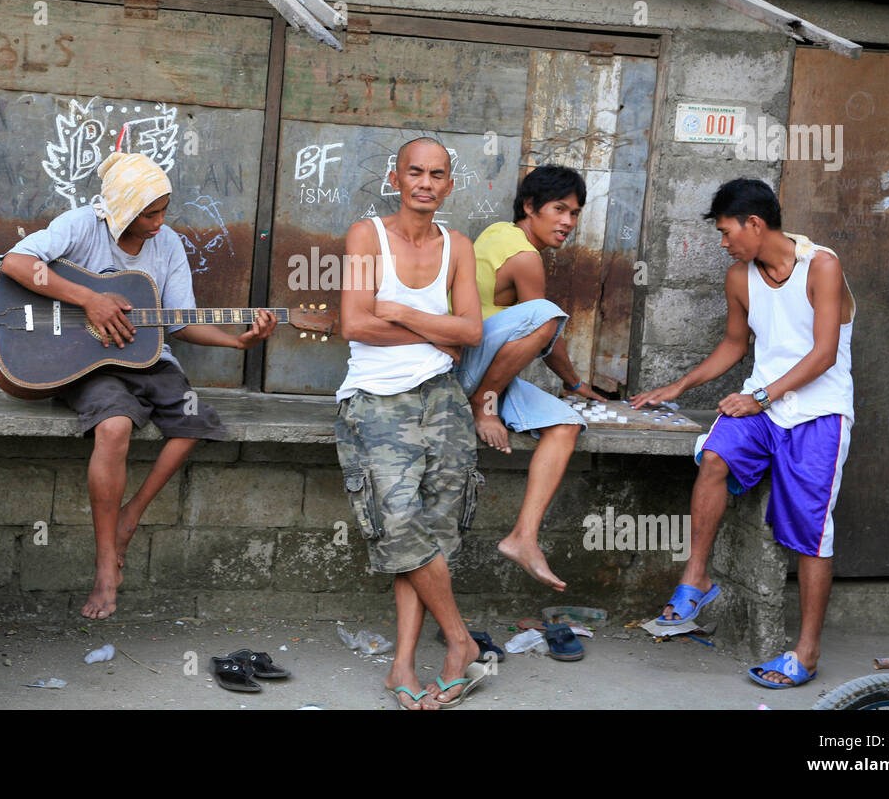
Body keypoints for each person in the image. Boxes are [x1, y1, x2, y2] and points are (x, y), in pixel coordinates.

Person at [0, 152, 276, 619]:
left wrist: (236, 342)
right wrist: (89, 300)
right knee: (113, 428)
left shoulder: (168, 244)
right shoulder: (82, 225)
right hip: (88, 362)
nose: (158, 223)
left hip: (149, 357)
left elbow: (181, 323)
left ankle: (128, 518)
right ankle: (106, 563)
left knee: (193, 421)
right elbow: (17, 263)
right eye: (150, 213)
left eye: (164, 210)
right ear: (123, 207)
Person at [631, 178, 855, 689]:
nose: (725, 242)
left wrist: (760, 397)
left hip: (818, 412)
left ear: (755, 224)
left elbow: (823, 356)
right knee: (714, 457)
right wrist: (679, 385)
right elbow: (735, 345)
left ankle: (807, 651)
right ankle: (697, 576)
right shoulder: (741, 277)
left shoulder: (822, 266)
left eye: (727, 232)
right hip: (764, 407)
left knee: (810, 535)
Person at [334, 137, 487, 709]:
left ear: (449, 184)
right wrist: (434, 328)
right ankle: (460, 641)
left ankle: (402, 665)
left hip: (443, 400)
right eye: (415, 172)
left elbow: (472, 333)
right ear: (396, 178)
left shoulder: (459, 246)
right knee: (400, 527)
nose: (426, 183)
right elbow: (354, 321)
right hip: (375, 400)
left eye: (438, 174)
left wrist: (396, 309)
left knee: (432, 536)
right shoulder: (366, 234)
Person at [456, 165, 605, 592]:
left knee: (565, 425)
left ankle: (523, 537)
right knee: (547, 313)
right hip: (468, 371)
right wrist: (574, 381)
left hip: (487, 367)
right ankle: (484, 408)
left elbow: (536, 334)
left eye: (575, 214)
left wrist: (574, 391)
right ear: (529, 207)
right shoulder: (524, 256)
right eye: (559, 210)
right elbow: (546, 333)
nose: (567, 223)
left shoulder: (498, 233)